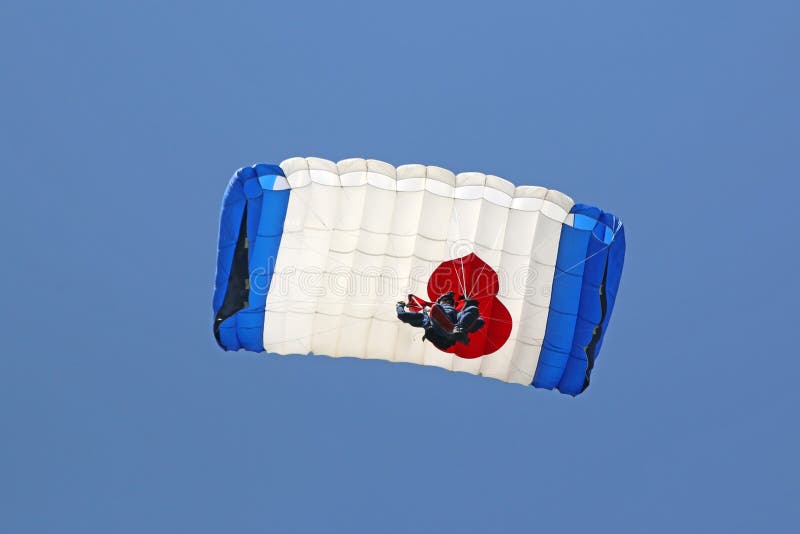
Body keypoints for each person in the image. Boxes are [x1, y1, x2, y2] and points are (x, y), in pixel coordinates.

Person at [396, 291, 484, 349]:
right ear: (439, 301)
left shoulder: (457, 313)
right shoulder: (425, 315)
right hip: (438, 330)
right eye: (445, 300)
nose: (448, 301)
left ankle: (458, 330)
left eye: (450, 300)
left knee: (473, 309)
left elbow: (478, 321)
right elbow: (402, 315)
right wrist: (399, 306)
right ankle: (453, 330)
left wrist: (467, 303)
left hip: (456, 326)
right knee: (435, 309)